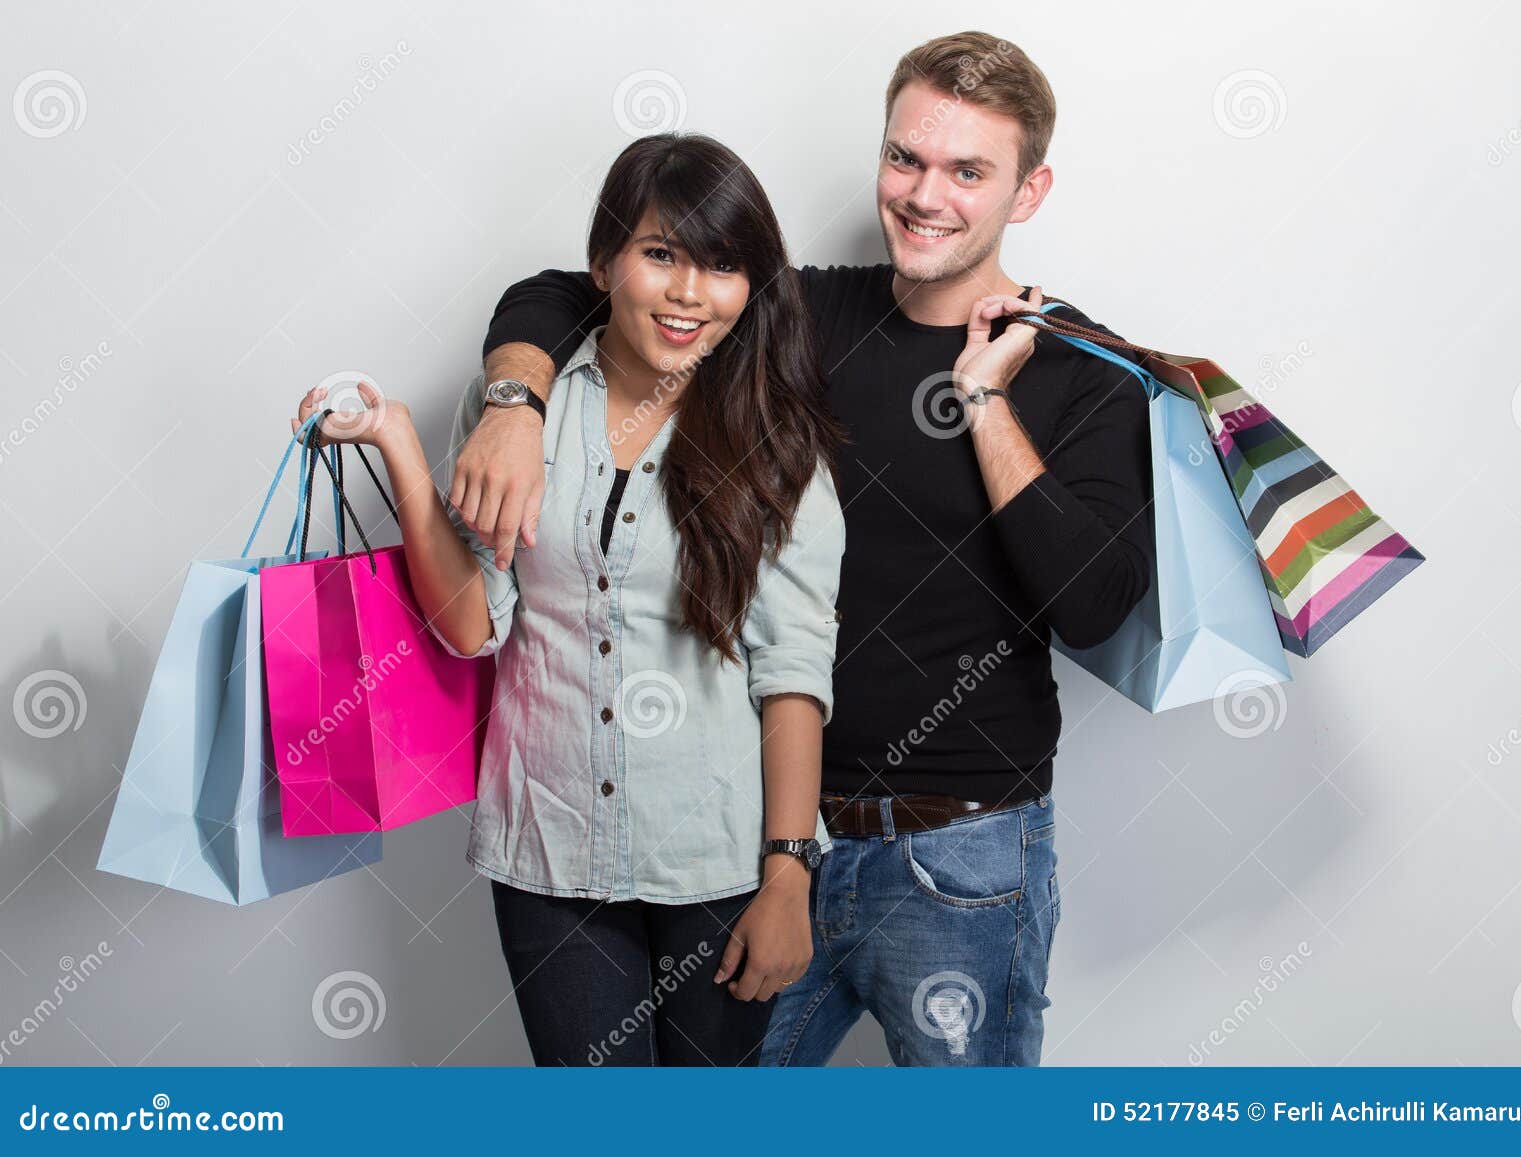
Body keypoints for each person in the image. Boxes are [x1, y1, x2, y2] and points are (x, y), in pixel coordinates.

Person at [450, 31, 1155, 1066]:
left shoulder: (1084, 374)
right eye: (906, 158)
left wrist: (986, 402)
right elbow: (577, 289)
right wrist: (515, 398)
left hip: (958, 846)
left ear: (1029, 189)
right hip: (752, 842)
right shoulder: (800, 316)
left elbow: (1092, 603)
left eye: (969, 170)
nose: (926, 194)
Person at [292, 132, 847, 1066]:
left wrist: (787, 873)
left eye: (721, 265)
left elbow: (791, 669)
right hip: (547, 850)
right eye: (660, 254)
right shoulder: (515, 409)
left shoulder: (777, 439)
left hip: (715, 857)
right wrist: (395, 442)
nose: (687, 292)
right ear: (604, 264)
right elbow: (473, 625)